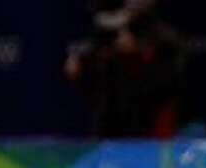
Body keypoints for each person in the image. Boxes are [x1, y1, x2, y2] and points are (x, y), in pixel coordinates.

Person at [64, 0, 186, 138]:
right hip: (110, 127)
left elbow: (168, 86)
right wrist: (80, 71)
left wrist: (135, 56)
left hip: (151, 129)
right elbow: (94, 89)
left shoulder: (164, 40)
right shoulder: (107, 35)